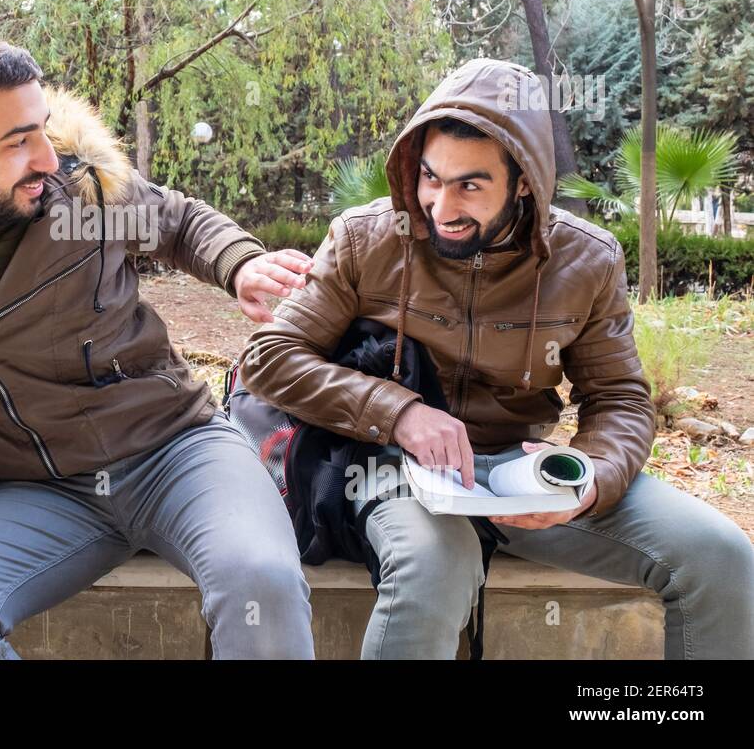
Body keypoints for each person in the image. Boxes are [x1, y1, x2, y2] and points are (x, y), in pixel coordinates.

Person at [0, 32, 316, 658]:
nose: (47, 157)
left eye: (43, 129)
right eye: (17, 141)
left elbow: (179, 221)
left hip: (176, 450)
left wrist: (241, 264)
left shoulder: (84, 193)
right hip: (38, 486)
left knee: (262, 584)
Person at [239, 57, 754, 659]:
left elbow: (619, 397)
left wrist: (591, 476)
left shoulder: (587, 259)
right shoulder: (365, 237)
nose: (441, 206)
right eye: (431, 178)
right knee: (433, 568)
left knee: (722, 557)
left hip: (518, 476)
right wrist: (400, 413)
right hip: (393, 465)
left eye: (471, 185)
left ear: (525, 181)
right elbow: (269, 357)